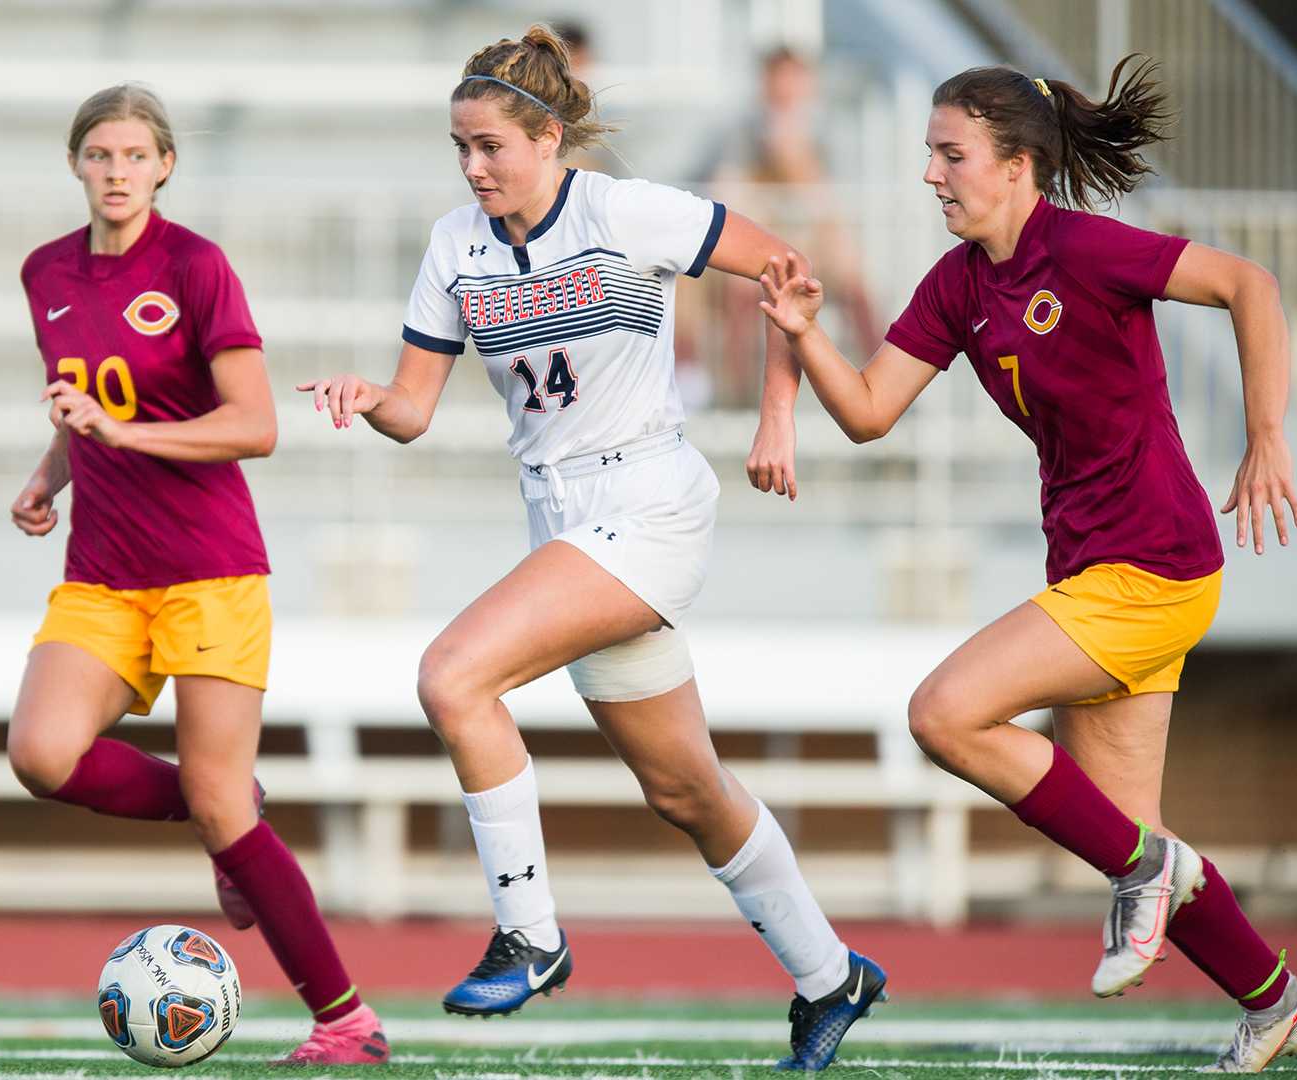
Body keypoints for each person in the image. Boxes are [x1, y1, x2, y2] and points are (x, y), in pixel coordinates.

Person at [297, 25, 885, 1071]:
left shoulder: (626, 210)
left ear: (549, 137)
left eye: (489, 146)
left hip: (650, 502)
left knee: (453, 678)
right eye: (459, 148)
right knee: (686, 790)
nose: (473, 167)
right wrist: (368, 398)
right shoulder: (454, 247)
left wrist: (779, 413)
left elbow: (787, 270)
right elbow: (415, 410)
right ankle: (831, 975)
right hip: (562, 522)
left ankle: (531, 936)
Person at [756, 59, 1297, 1073]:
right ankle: (1275, 998)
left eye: (950, 153)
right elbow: (872, 413)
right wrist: (805, 336)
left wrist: (1267, 432)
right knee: (1130, 842)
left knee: (945, 715)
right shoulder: (959, 282)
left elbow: (1250, 284)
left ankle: (1156, 877)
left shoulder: (1085, 247)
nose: (931, 174)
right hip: (1094, 571)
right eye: (930, 153)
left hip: (1154, 565)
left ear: (1019, 165)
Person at [5, 83, 388, 1066]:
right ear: (76, 165)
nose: (118, 172)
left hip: (209, 572)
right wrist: (49, 475)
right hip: (101, 573)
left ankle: (345, 1020)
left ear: (166, 165)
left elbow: (254, 426)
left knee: (217, 805)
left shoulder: (196, 266)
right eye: (101, 155)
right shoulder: (44, 270)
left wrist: (120, 435)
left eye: (136, 156)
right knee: (42, 754)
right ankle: (229, 806)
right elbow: (79, 401)